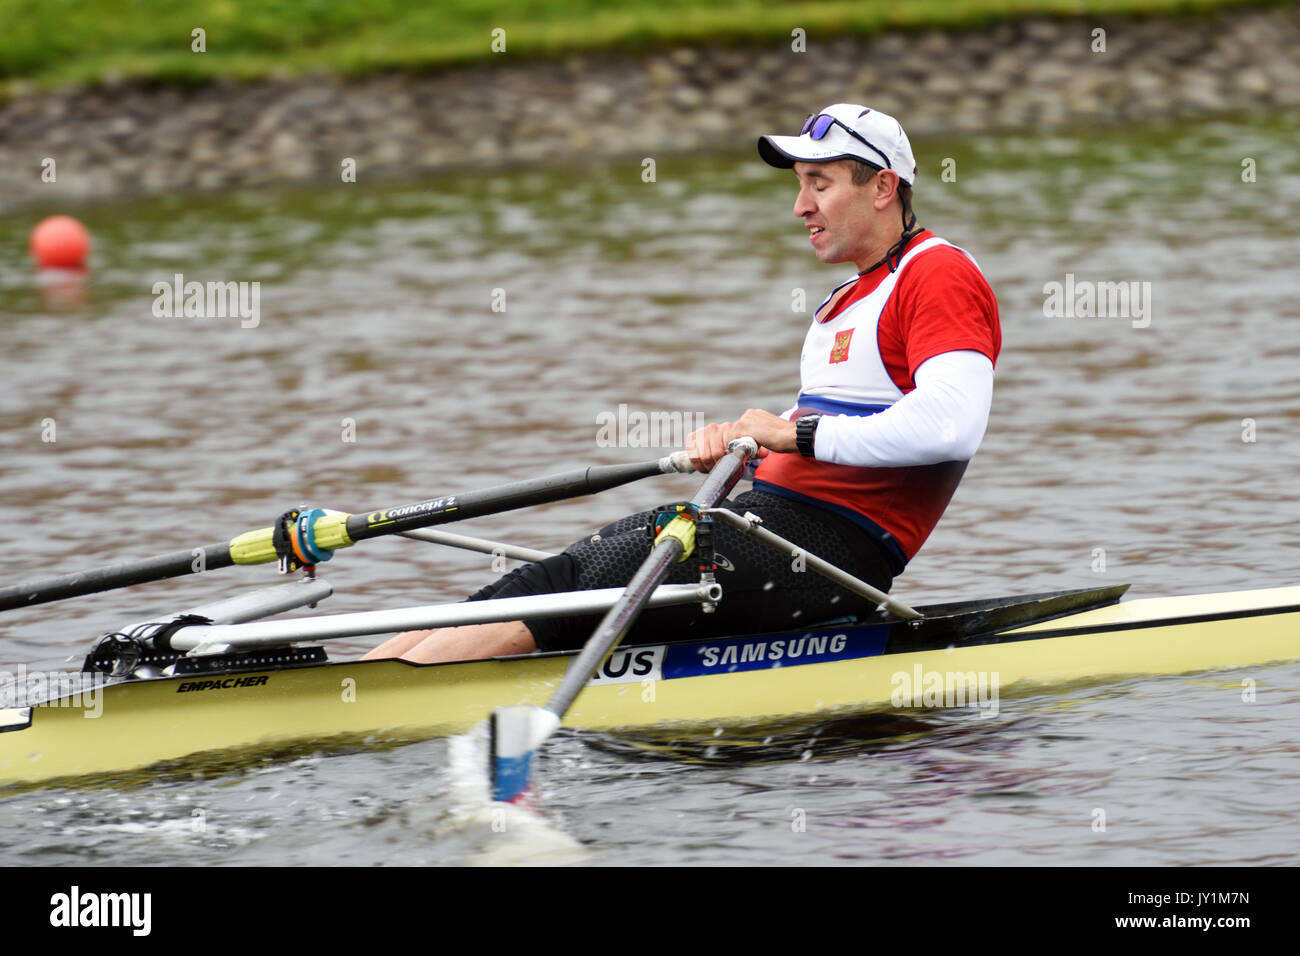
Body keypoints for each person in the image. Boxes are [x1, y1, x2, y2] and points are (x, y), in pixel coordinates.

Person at [363, 103, 1000, 665]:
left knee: (589, 581)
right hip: (765, 521)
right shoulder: (855, 294)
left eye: (820, 183)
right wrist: (746, 438)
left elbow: (949, 424)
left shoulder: (936, 274)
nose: (800, 205)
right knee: (551, 574)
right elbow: (842, 416)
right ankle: (358, 679)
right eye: (801, 185)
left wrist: (787, 434)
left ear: (883, 186)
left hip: (827, 556)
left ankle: (385, 708)